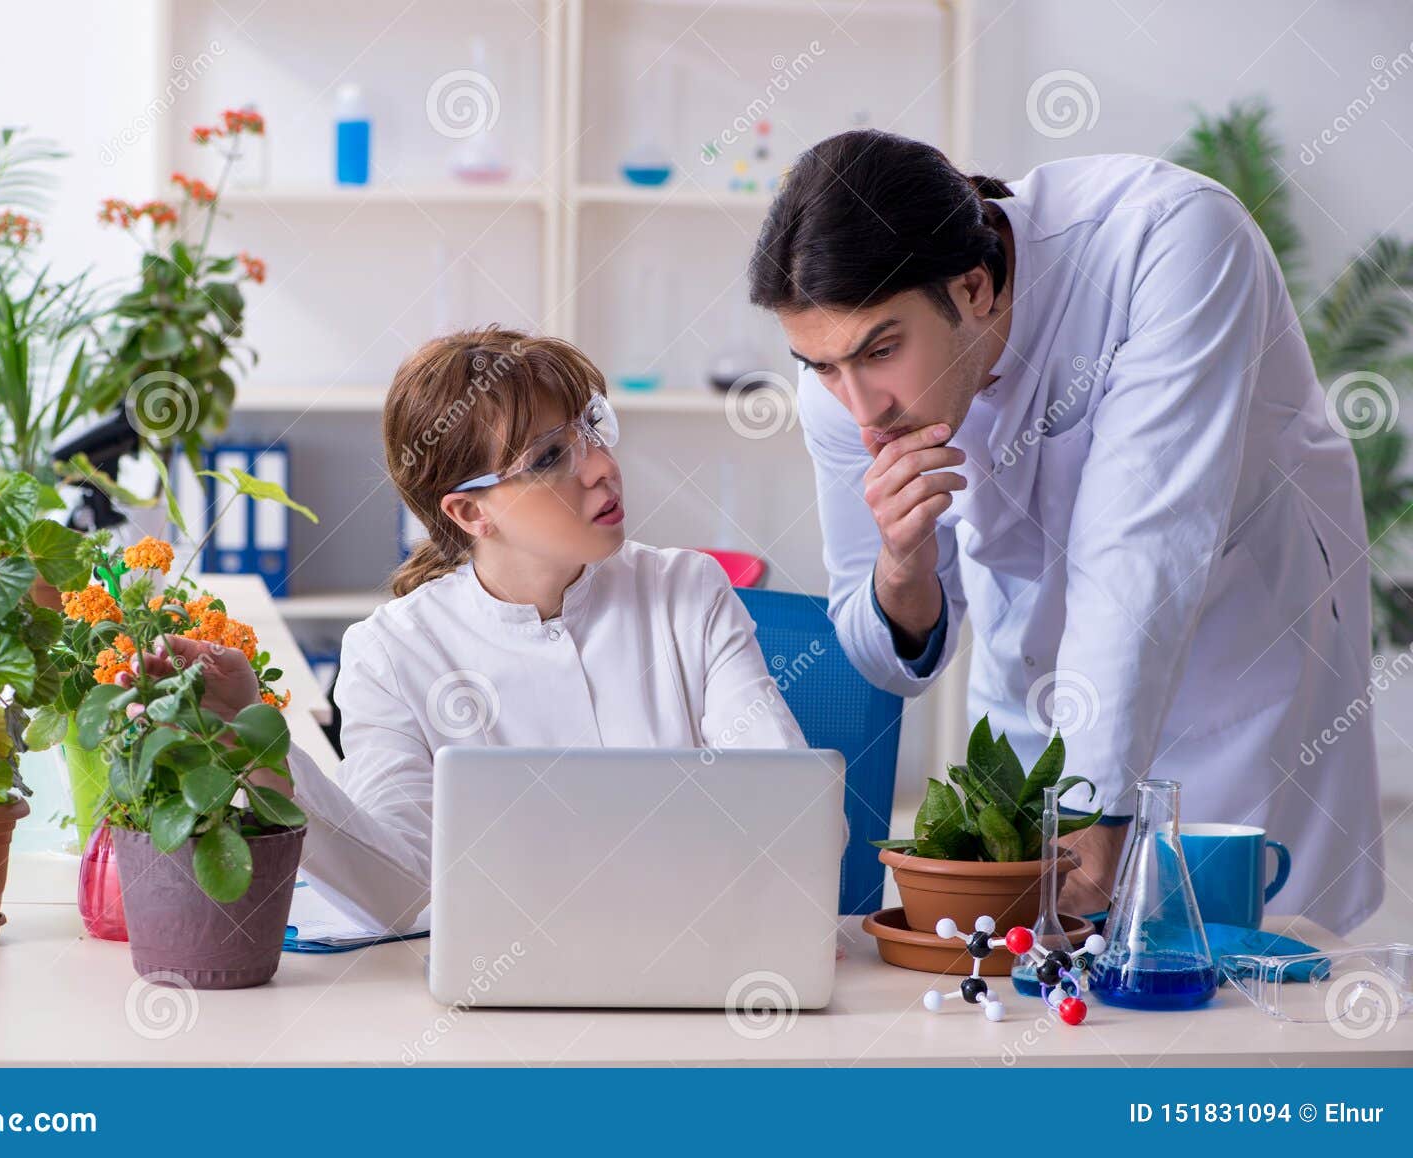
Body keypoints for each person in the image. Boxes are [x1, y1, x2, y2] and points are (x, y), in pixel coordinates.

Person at [747, 130, 1383, 934]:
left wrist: (1096, 814)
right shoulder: (844, 387)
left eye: (882, 349)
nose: (860, 408)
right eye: (822, 366)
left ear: (974, 286)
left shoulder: (1169, 239)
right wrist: (902, 569)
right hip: (1032, 701)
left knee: (1246, 988)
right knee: (1042, 1011)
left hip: (1240, 672)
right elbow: (883, 659)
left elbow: (1141, 557)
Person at [129, 328, 806, 935]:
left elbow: (801, 815)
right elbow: (396, 893)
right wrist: (258, 743)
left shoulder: (686, 592)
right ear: (470, 511)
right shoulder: (392, 654)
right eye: (550, 458)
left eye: (592, 428)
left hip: (699, 974)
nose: (601, 465)